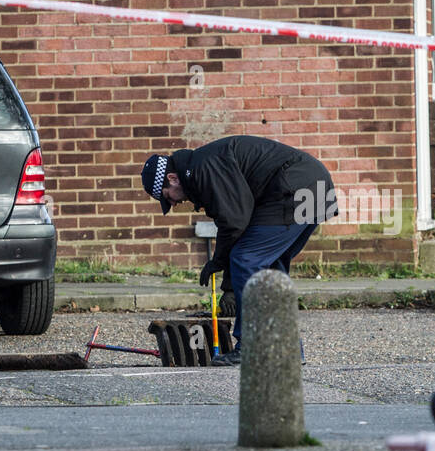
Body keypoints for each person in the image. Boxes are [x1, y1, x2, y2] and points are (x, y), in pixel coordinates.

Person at [141, 135, 336, 366]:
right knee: (270, 267)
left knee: (247, 260)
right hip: (314, 188)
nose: (172, 204)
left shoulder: (204, 169)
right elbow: (239, 224)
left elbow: (234, 222)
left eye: (167, 197)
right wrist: (230, 284)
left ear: (172, 178)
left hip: (296, 188)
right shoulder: (203, 167)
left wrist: (219, 263)